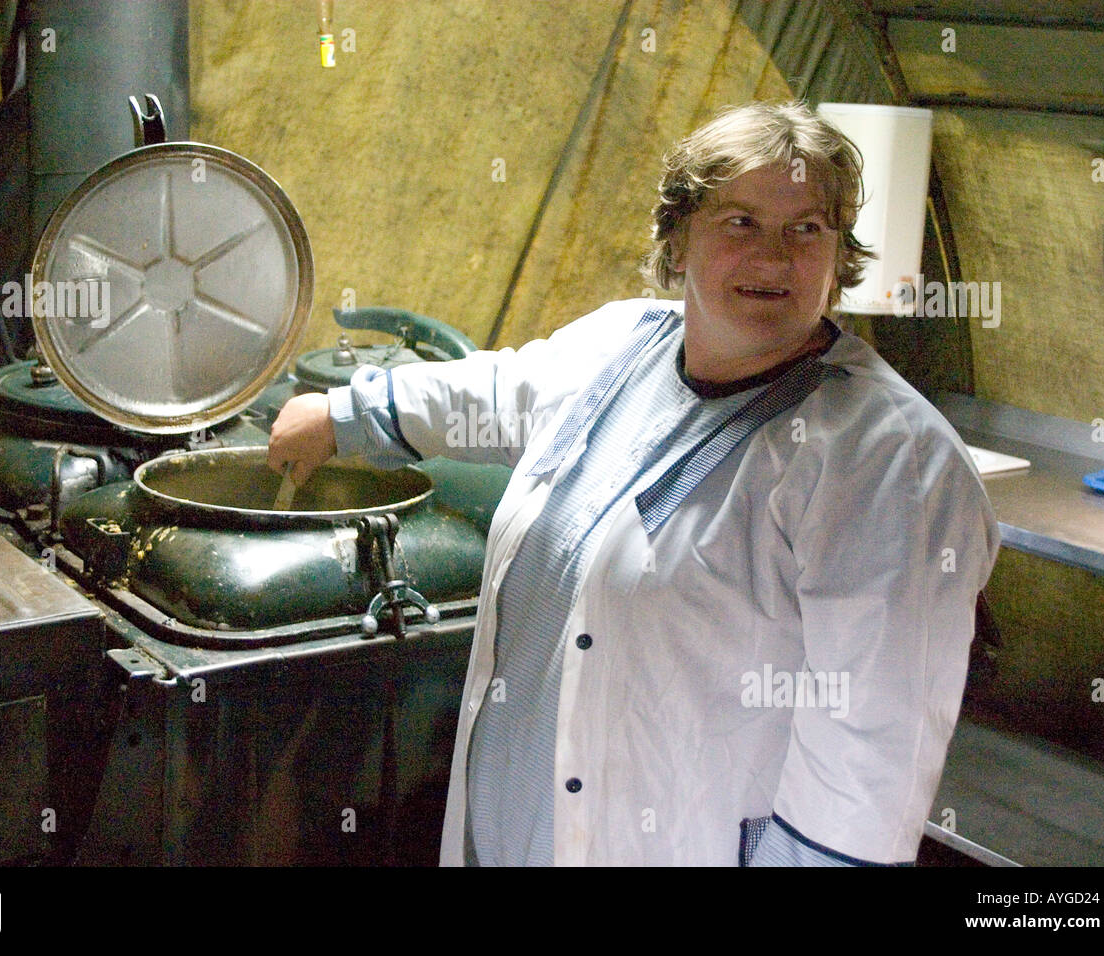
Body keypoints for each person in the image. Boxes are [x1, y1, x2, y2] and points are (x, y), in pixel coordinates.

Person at [268, 100, 1000, 866]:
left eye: (805, 228)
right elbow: (499, 392)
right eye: (740, 222)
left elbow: (868, 763)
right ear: (680, 238)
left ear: (838, 253)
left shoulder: (887, 461)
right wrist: (345, 412)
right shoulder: (626, 345)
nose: (773, 257)